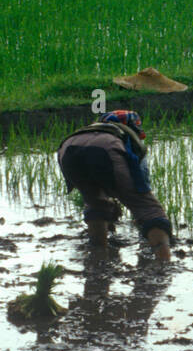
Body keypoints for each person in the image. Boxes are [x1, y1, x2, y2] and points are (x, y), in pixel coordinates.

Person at [56, 110, 173, 261]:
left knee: (95, 202)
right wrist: (143, 214)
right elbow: (140, 182)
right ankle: (164, 263)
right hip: (105, 148)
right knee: (148, 207)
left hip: (67, 149)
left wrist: (111, 203)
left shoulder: (91, 129)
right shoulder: (127, 136)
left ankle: (98, 257)